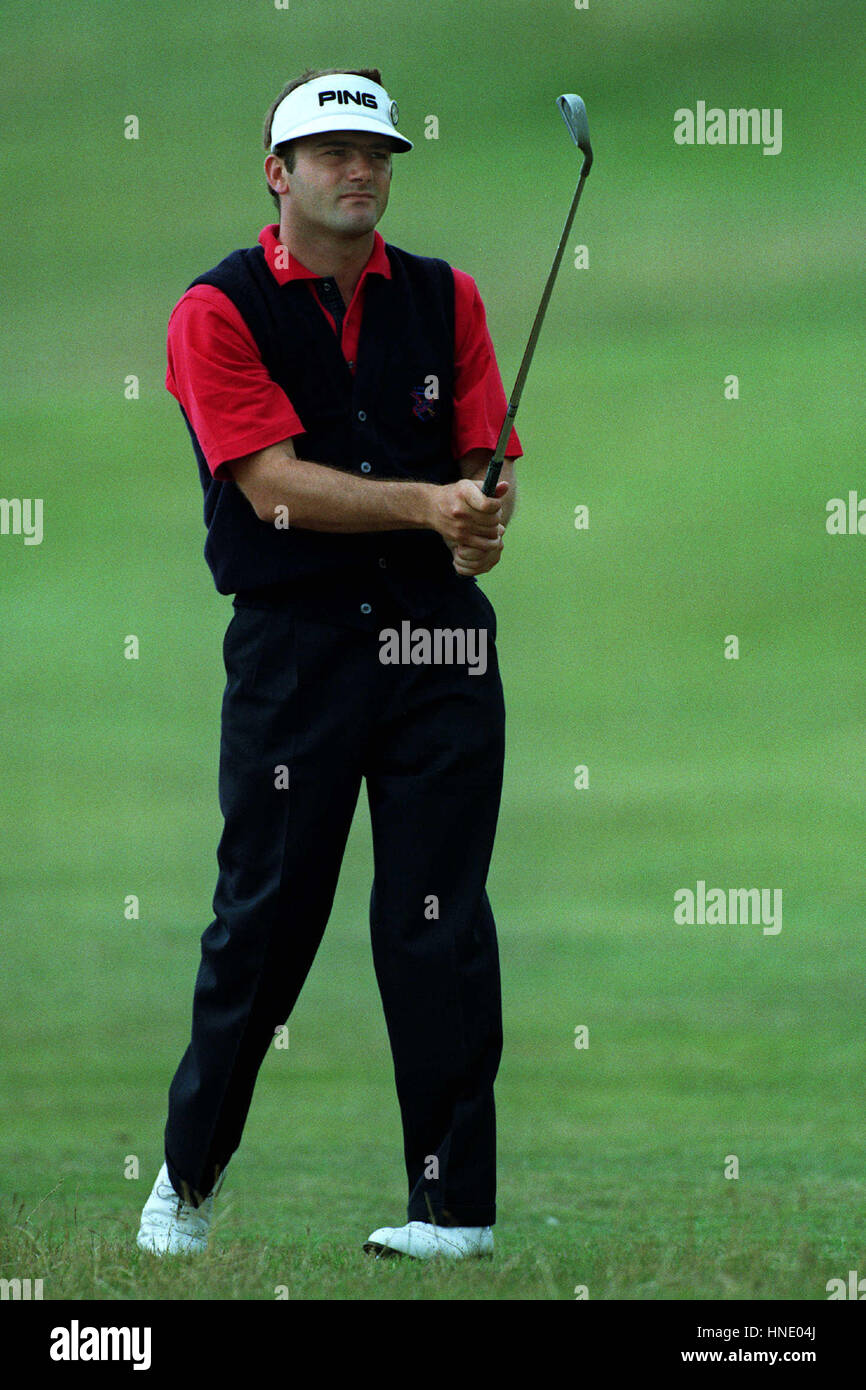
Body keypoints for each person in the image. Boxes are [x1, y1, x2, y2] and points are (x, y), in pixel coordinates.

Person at [136, 66, 521, 1262]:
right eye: (332, 154)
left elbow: (483, 449)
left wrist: (486, 513)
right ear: (279, 173)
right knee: (265, 921)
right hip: (297, 647)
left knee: (436, 922)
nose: (361, 172)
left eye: (379, 154)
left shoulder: (445, 296)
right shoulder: (220, 307)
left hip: (437, 643)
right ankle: (186, 1183)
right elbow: (273, 487)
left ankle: (451, 1212)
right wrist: (430, 503)